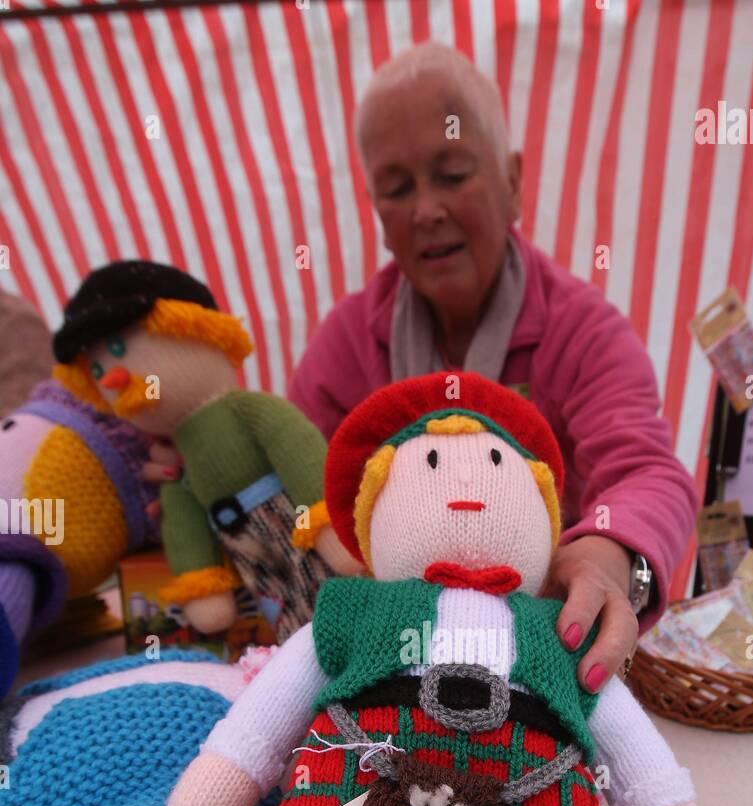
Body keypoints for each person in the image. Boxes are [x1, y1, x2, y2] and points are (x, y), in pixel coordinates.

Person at [290, 42, 701, 693]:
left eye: (452, 174)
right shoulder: (345, 342)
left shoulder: (581, 329)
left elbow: (649, 472)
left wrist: (606, 556)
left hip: (537, 663)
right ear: (378, 216)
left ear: (512, 181)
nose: (426, 210)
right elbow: (296, 473)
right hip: (388, 668)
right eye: (397, 189)